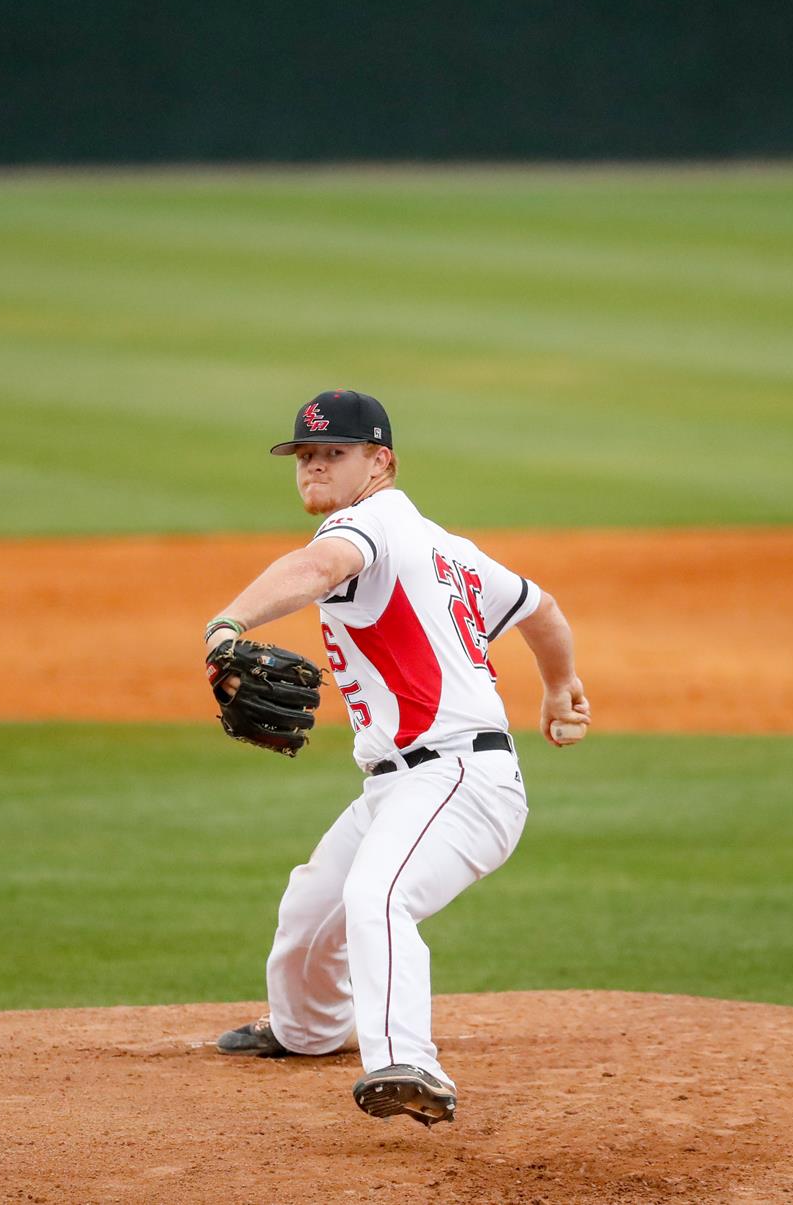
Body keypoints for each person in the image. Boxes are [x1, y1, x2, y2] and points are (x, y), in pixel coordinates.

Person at [203, 388, 590, 1126]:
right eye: (305, 455)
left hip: (457, 778)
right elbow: (542, 609)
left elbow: (319, 569)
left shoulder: (365, 526)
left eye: (334, 453)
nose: (315, 466)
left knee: (378, 893)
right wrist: (561, 684)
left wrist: (228, 622)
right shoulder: (447, 546)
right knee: (309, 908)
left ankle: (406, 1060)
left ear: (380, 461)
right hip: (406, 781)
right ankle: (307, 1031)